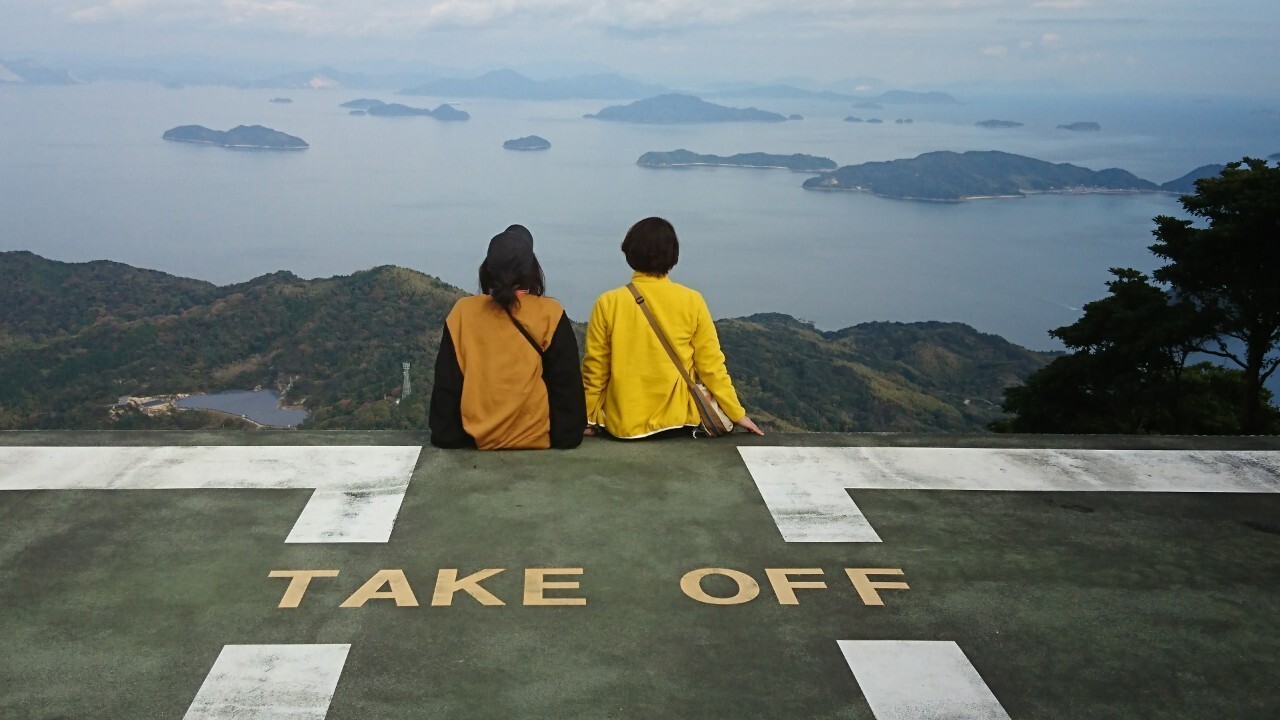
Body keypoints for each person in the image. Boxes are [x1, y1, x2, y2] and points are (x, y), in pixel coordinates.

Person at [581, 217, 764, 439]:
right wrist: (737, 414)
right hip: (680, 423)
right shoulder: (692, 300)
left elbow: (596, 369)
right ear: (673, 256)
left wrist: (585, 416)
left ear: (630, 252)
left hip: (624, 424)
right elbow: (711, 366)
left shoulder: (609, 302)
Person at [429, 225, 586, 450]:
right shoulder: (550, 312)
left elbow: (448, 383)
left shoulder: (463, 312)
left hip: (475, 439)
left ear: (487, 269)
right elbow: (566, 385)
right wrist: (567, 436)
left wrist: (448, 435)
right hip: (538, 437)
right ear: (532, 270)